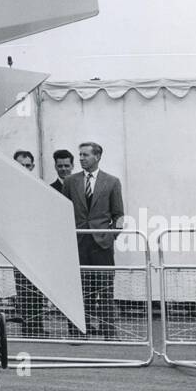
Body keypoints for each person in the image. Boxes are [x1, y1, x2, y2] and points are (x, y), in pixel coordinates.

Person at [66, 142, 125, 338]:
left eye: (85, 155)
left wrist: (111, 236)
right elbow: (64, 211)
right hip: (78, 242)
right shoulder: (71, 182)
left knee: (105, 289)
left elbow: (118, 214)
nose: (81, 158)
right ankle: (79, 330)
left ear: (97, 157)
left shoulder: (112, 182)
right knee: (80, 288)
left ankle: (109, 331)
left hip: (102, 244)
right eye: (80, 155)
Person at [10, 150, 47, 334]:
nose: (23, 168)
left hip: (36, 243)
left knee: (38, 287)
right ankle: (28, 327)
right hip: (19, 244)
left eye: (27, 165)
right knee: (23, 287)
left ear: (32, 167)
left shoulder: (38, 187)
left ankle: (37, 325)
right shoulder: (9, 189)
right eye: (20, 164)